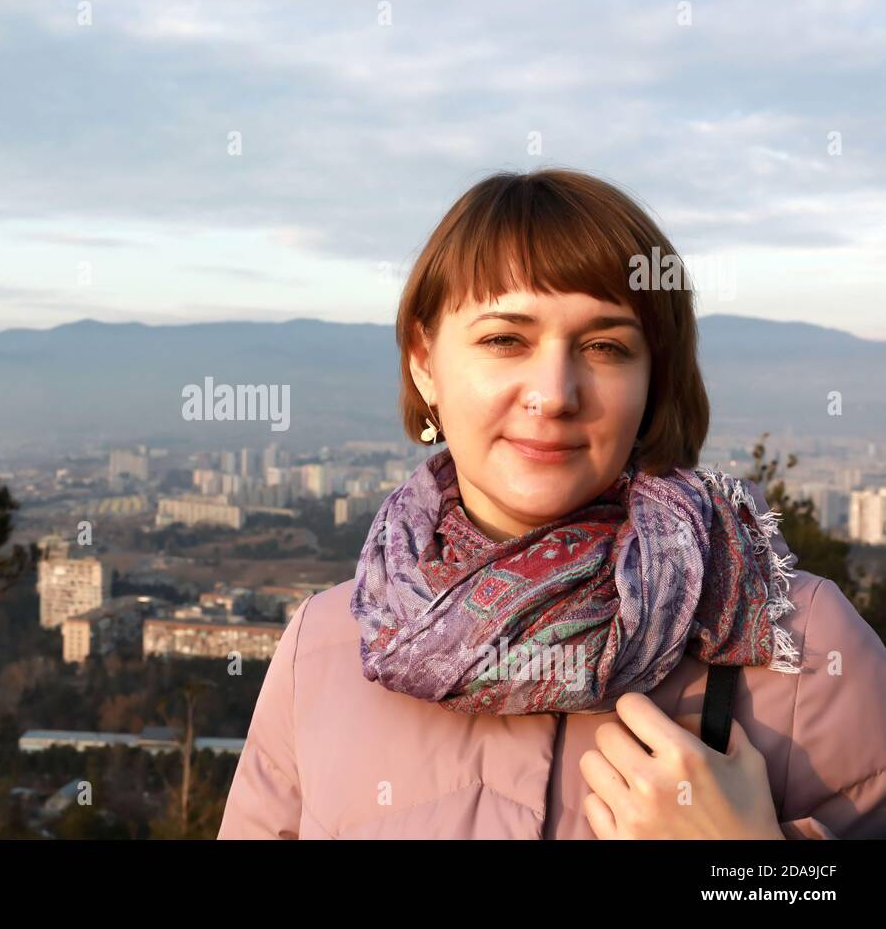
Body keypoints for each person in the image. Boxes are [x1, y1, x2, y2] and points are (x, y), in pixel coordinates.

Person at [217, 168, 886, 839]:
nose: (554, 393)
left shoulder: (796, 642)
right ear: (425, 362)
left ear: (654, 380)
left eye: (604, 347)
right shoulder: (324, 648)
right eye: (505, 339)